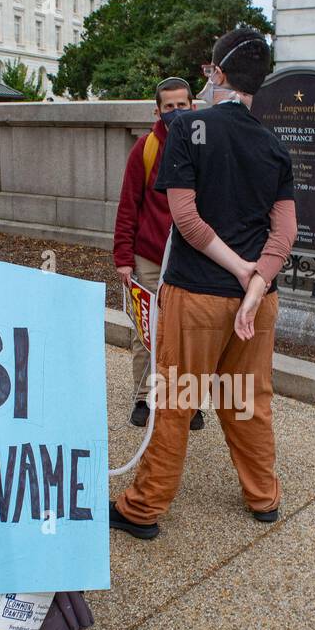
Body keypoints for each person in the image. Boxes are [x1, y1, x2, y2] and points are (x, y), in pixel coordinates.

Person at [109, 27, 296, 540]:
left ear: (216, 73)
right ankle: (264, 497)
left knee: (174, 401)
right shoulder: (274, 144)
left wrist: (239, 271)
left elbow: (186, 220)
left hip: (197, 294)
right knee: (249, 398)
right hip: (257, 303)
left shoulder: (190, 129)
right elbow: (285, 232)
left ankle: (143, 508)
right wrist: (256, 283)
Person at [113, 76, 203, 431]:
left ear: (193, 107)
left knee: (192, 333)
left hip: (192, 259)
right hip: (149, 257)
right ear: (158, 110)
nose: (176, 112)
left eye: (182, 105)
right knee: (146, 331)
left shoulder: (204, 147)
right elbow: (128, 205)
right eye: (169, 107)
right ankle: (144, 397)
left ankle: (188, 402)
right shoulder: (146, 148)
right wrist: (123, 257)